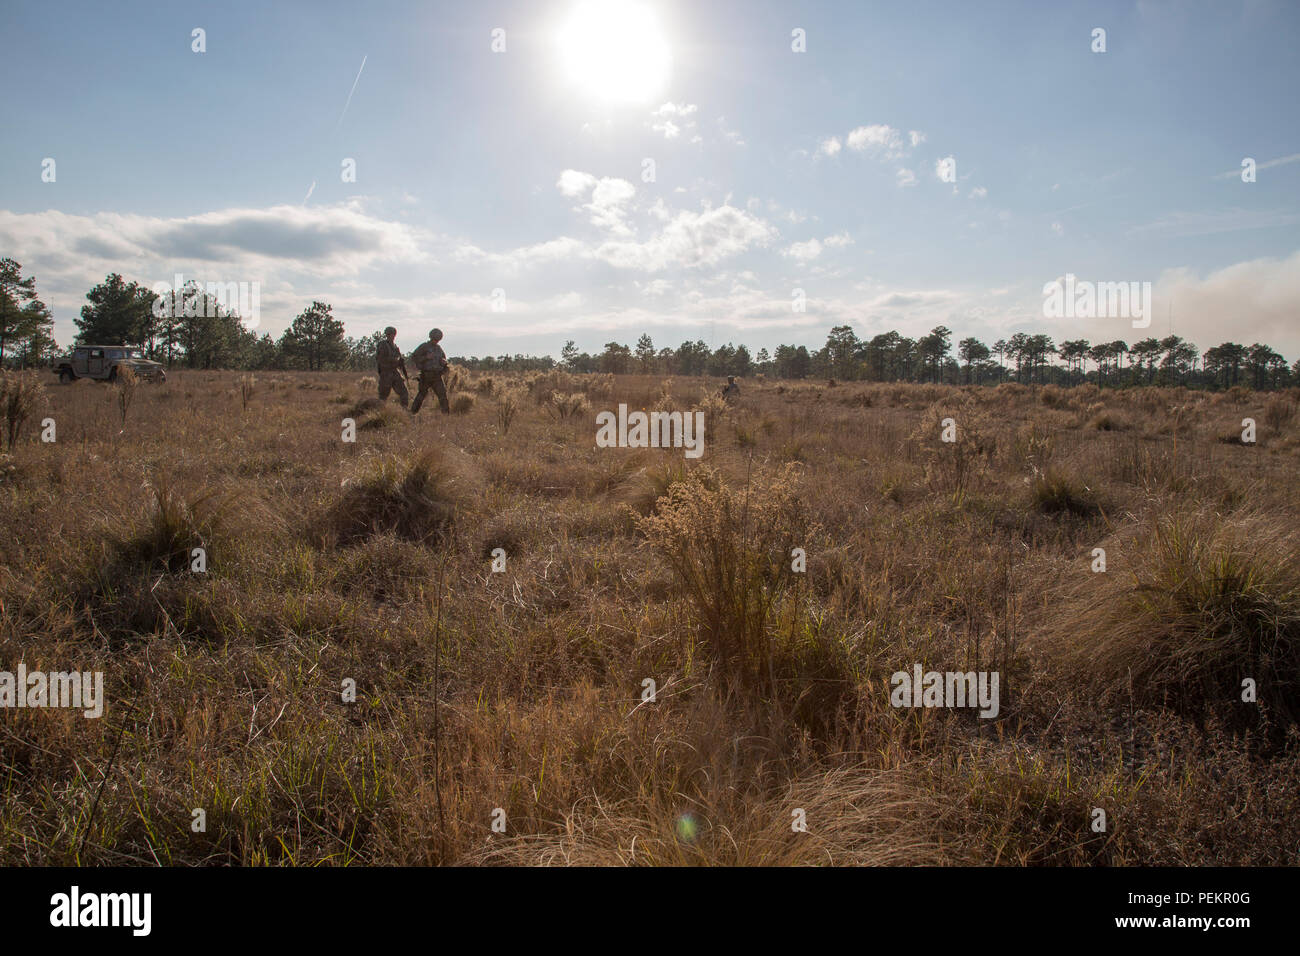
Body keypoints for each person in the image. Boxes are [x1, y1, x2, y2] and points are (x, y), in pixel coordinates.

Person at [410, 327, 450, 415]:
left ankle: (446, 415)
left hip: (437, 376)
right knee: (421, 395)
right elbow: (414, 357)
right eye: (435, 339)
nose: (436, 341)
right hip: (426, 376)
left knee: (442, 396)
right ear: (431, 337)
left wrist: (443, 362)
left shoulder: (439, 349)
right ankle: (412, 413)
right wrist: (425, 357)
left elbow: (444, 359)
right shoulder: (424, 347)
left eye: (438, 339)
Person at [375, 327, 409, 407]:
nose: (392, 336)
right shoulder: (383, 345)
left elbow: (399, 360)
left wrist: (400, 362)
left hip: (395, 372)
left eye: (393, 334)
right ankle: (380, 413)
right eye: (390, 334)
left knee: (404, 393)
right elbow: (381, 359)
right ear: (387, 335)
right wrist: (395, 360)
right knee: (383, 396)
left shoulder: (395, 346)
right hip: (386, 373)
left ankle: (404, 410)